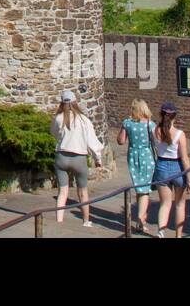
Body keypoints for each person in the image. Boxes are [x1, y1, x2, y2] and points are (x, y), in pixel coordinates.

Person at [50, 90, 104, 227]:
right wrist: (98, 158)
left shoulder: (58, 118)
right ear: (75, 102)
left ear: (62, 102)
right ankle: (86, 221)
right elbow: (91, 141)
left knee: (62, 191)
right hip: (79, 158)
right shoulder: (84, 120)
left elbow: (54, 133)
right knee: (82, 191)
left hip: (62, 156)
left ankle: (59, 220)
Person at [150, 101, 190, 237]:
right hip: (177, 167)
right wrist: (189, 179)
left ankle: (161, 231)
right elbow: (185, 158)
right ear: (174, 116)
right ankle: (178, 235)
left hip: (161, 166)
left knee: (165, 203)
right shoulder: (180, 134)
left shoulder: (154, 130)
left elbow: (156, 148)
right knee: (180, 204)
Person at [117, 99, 155, 233]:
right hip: (147, 155)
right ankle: (141, 218)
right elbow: (155, 142)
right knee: (145, 189)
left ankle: (141, 218)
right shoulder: (150, 125)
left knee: (140, 187)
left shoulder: (127, 123)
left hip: (133, 155)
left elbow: (121, 141)